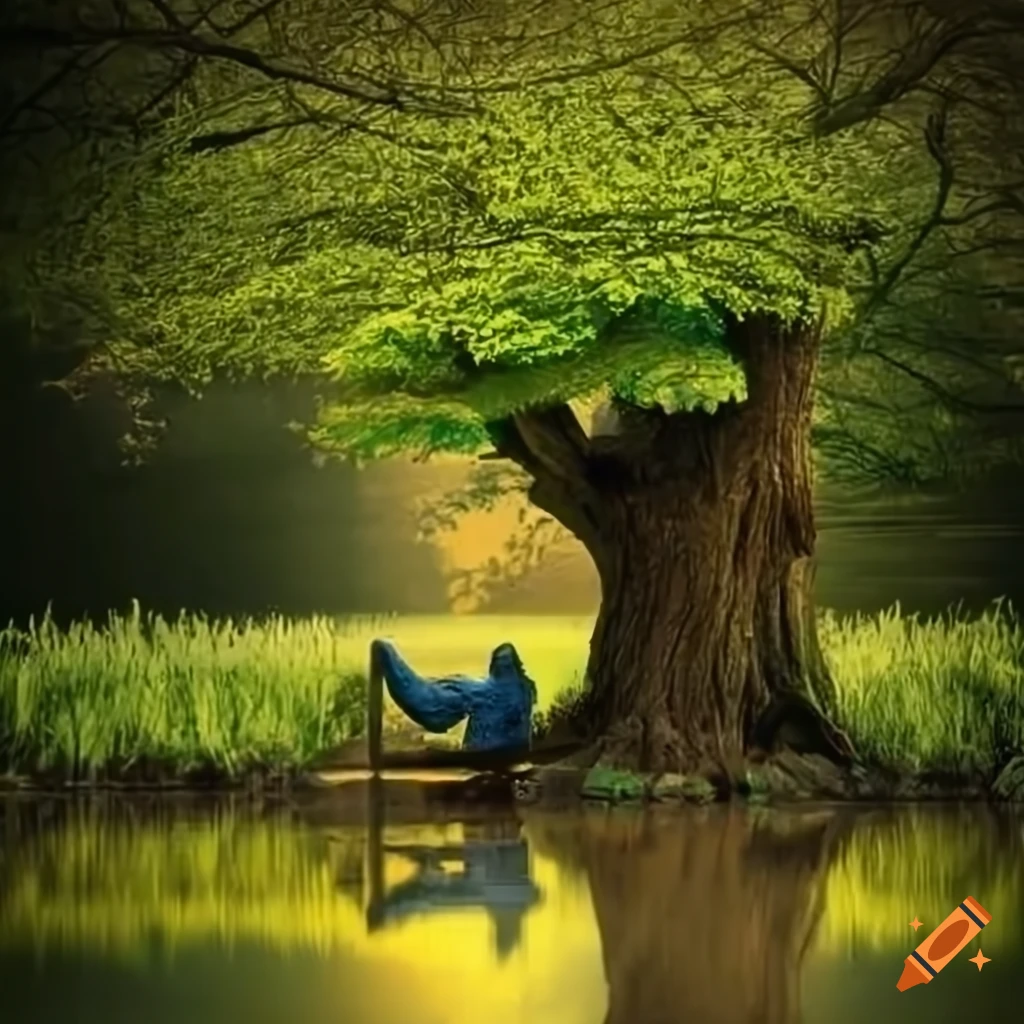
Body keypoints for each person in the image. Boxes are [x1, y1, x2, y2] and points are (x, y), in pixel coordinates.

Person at [369, 638, 536, 751]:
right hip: (514, 759)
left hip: (485, 763)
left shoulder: (484, 693)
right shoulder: (526, 690)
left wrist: (385, 654)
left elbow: (426, 702)